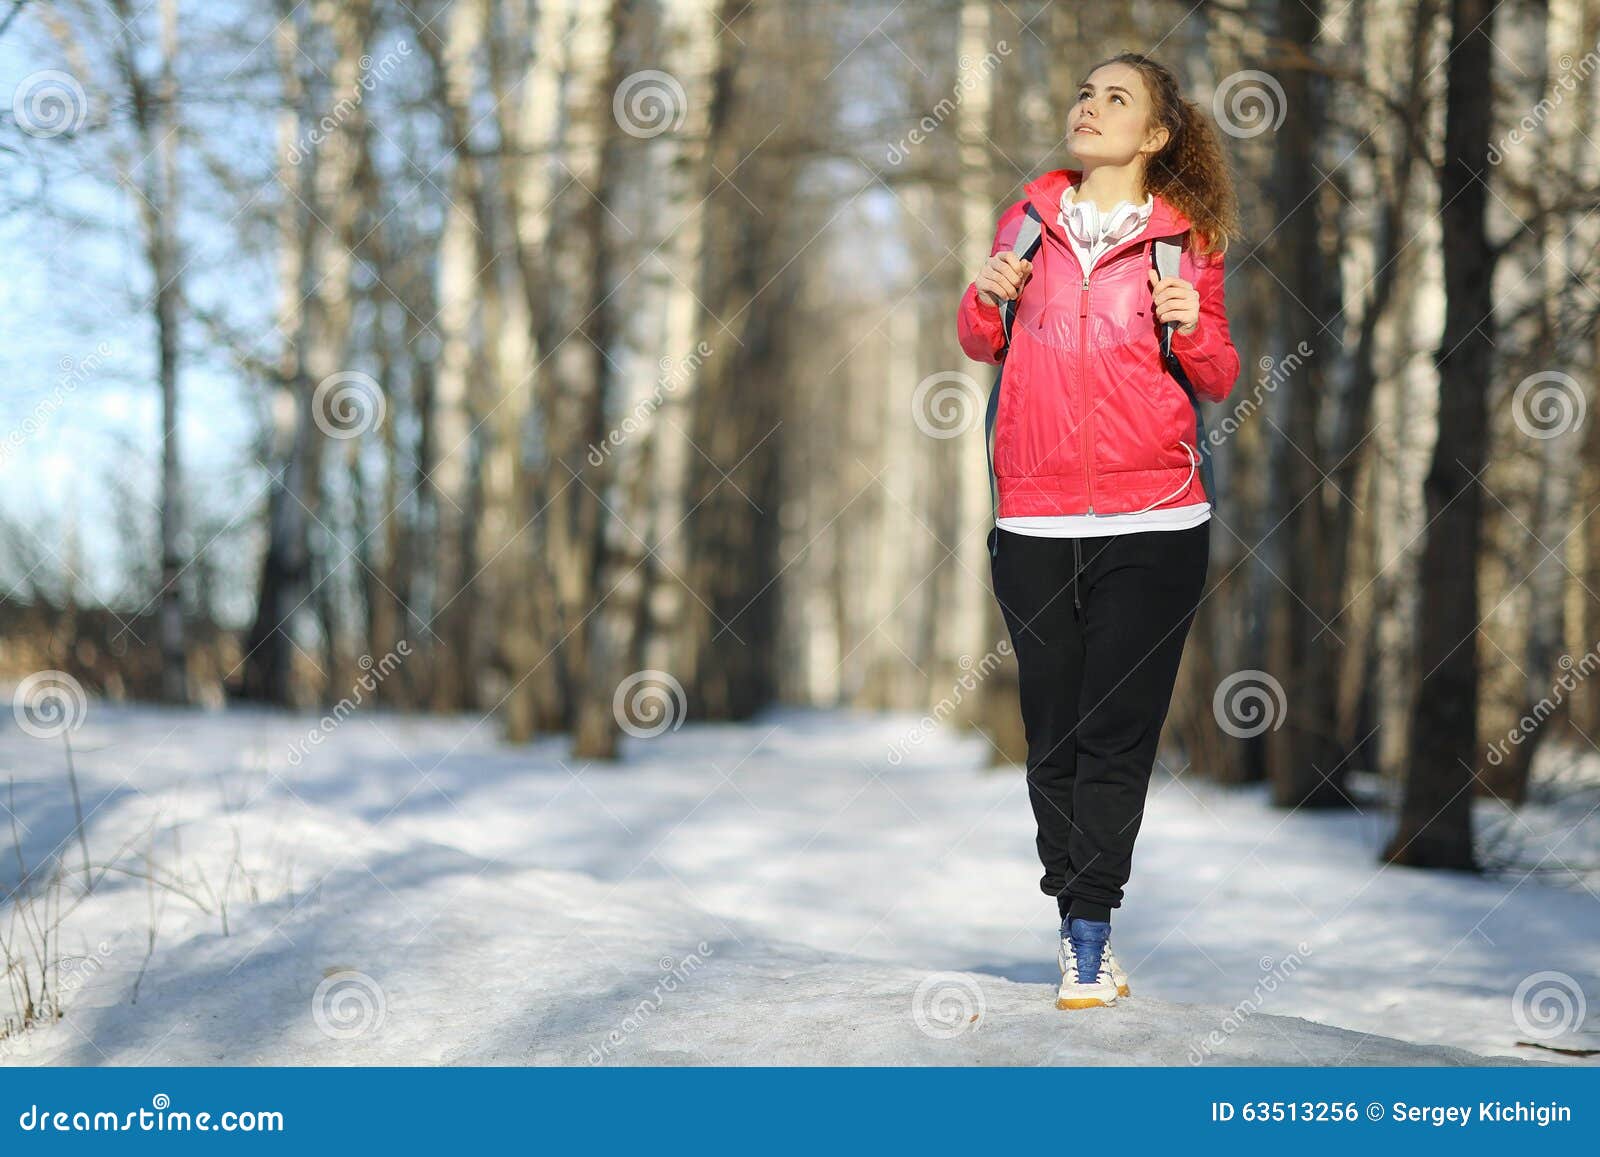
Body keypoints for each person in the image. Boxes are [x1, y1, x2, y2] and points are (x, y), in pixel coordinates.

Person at [955, 51, 1242, 1010]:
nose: (1089, 105)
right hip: (1034, 515)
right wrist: (985, 294)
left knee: (1117, 729)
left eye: (1116, 98)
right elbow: (979, 339)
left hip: (1157, 518)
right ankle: (1073, 908)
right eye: (1084, 91)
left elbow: (1219, 374)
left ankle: (1088, 931)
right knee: (1052, 733)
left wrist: (1191, 323)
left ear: (1153, 134)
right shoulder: (1027, 220)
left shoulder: (1184, 240)